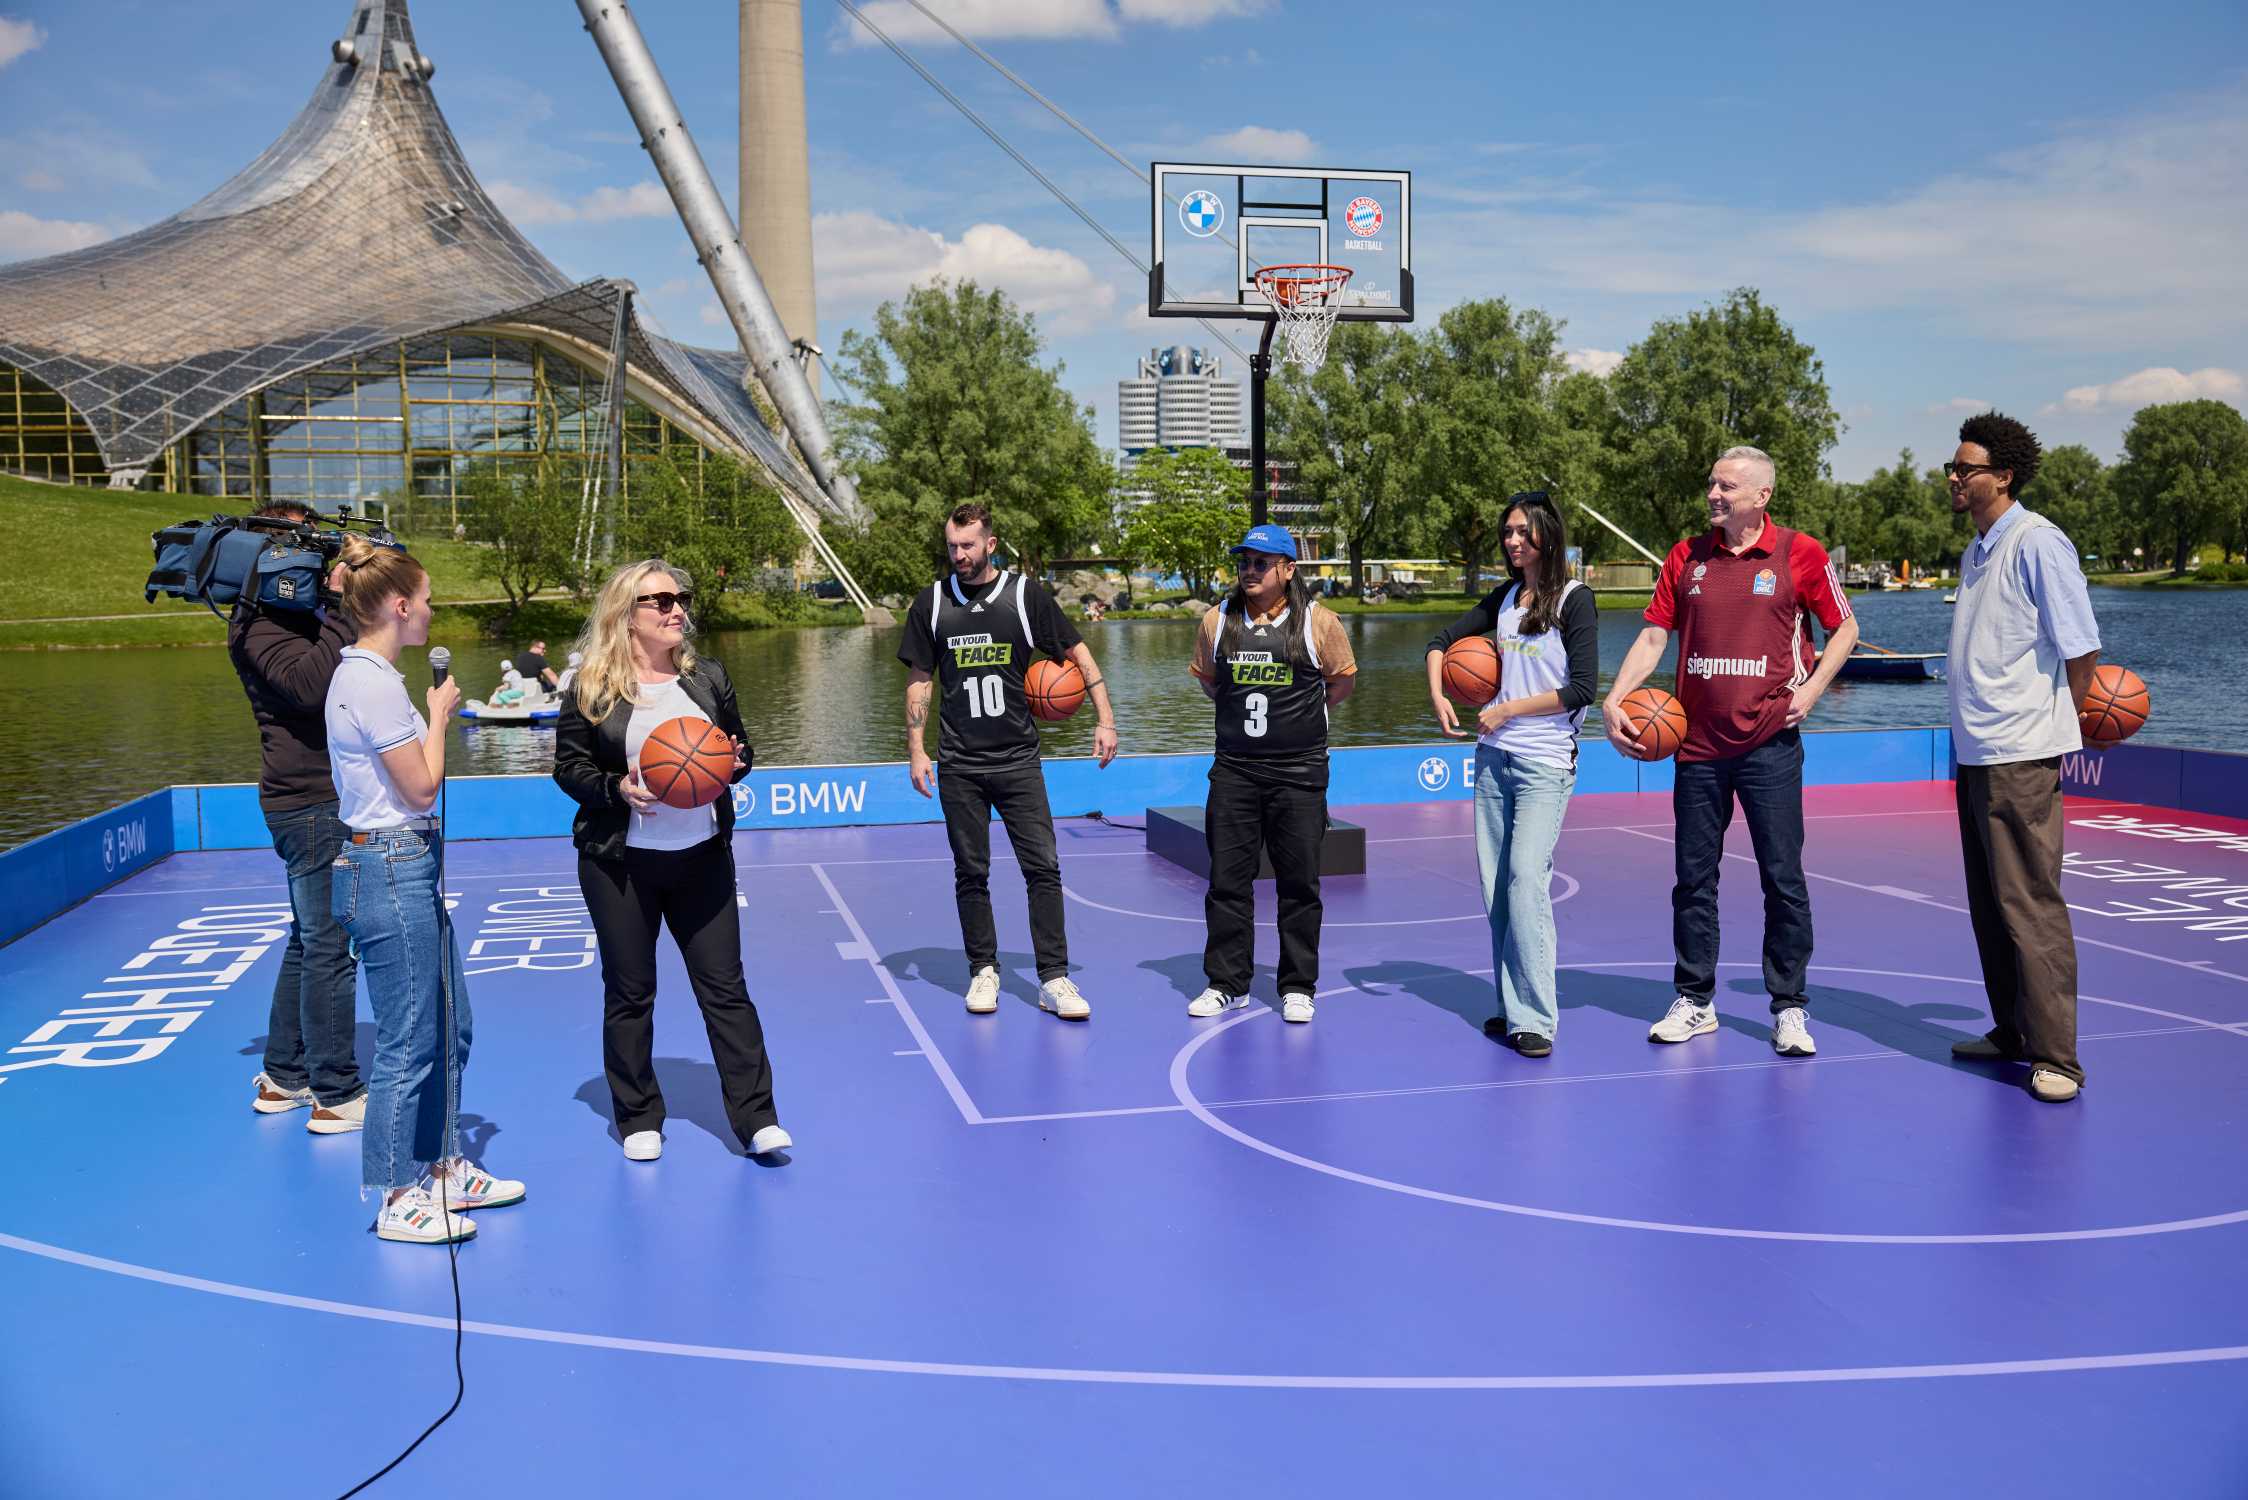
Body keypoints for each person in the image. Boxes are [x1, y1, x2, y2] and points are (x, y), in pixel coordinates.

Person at [1604, 446, 1859, 1057]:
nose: (1714, 494)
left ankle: (1790, 1006)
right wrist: (1615, 698)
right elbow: (1650, 635)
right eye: (1712, 484)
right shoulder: (1685, 556)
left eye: (1727, 486)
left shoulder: (1801, 552)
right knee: (1693, 880)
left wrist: (1815, 689)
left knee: (1783, 879)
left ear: (1760, 496)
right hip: (1695, 746)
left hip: (1770, 743)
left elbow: (1844, 627)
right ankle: (1695, 1000)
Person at [554, 560, 790, 1161]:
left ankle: (757, 1117)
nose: (676, 609)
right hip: (620, 863)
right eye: (660, 601)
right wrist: (616, 790)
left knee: (725, 989)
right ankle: (638, 1117)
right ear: (626, 616)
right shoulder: (593, 687)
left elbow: (739, 750)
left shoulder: (706, 677)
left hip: (701, 856)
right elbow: (569, 767)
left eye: (681, 598)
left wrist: (736, 761)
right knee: (630, 992)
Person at [325, 538, 525, 1245]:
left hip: (406, 865)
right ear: (401, 606)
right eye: (429, 600)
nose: (435, 612)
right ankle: (395, 1193)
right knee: (408, 1041)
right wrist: (440, 717)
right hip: (387, 867)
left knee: (451, 1023)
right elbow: (419, 785)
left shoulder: (376, 675)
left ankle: (442, 1167)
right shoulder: (372, 683)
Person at [899, 504, 1118, 1019]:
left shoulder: (1024, 596)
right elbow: (919, 680)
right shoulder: (932, 603)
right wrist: (915, 749)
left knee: (1042, 867)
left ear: (990, 544)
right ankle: (983, 970)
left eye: (969, 545)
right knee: (970, 871)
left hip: (1019, 760)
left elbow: (1079, 655)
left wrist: (1105, 719)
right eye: (953, 546)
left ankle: (1054, 978)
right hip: (960, 763)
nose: (960, 555)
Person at [1943, 412, 2101, 1103]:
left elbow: (2082, 645)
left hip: (2019, 753)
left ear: (2001, 477)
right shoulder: (1978, 548)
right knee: (1989, 903)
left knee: (2029, 902)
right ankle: (2012, 1031)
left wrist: (2055, 726)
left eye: (1965, 468)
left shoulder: (2038, 543)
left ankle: (2058, 1058)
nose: (1953, 477)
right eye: (1952, 467)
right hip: (1977, 750)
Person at [1424, 493, 1599, 1057]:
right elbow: (1439, 643)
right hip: (1493, 759)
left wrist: (1506, 710)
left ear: (1547, 533)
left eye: (1522, 530)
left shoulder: (1576, 599)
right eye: (1507, 532)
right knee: (1497, 891)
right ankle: (1511, 1007)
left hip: (1545, 762)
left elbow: (1582, 690)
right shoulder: (1503, 598)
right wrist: (1439, 696)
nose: (1512, 540)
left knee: (1526, 880)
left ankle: (1537, 1019)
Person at [229, 500, 365, 1134]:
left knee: (308, 942)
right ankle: (336, 1092)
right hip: (309, 803)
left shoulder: (294, 615)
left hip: (317, 799)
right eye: (305, 545)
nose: (317, 556)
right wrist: (338, 609)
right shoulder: (256, 623)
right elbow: (309, 688)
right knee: (331, 946)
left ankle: (284, 1076)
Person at [1186, 523, 1357, 1023]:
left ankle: (1298, 984)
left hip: (1299, 772)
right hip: (1235, 770)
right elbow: (1209, 682)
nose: (1249, 570)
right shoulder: (1217, 620)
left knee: (1299, 883)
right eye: (1243, 561)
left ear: (1288, 568)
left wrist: (1298, 720)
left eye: (1261, 563)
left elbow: (1341, 683)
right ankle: (1227, 982)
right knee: (1227, 881)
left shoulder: (1319, 623)